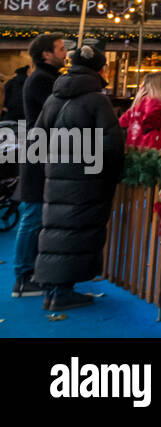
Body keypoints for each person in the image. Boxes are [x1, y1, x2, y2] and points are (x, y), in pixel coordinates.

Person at [33, 43, 125, 310]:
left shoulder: (54, 98)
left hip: (57, 175)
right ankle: (62, 291)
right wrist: (112, 175)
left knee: (56, 228)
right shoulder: (97, 100)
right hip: (87, 178)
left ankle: (52, 289)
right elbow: (111, 146)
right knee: (78, 230)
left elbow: (38, 140)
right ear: (99, 69)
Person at [12, 33, 65, 298]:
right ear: (46, 54)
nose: (65, 52)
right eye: (60, 48)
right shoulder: (43, 81)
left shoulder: (45, 78)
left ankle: (29, 272)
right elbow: (55, 116)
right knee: (32, 214)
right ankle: (22, 276)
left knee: (36, 214)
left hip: (40, 149)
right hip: (39, 151)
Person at [118, 72, 161, 150]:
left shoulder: (138, 103)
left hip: (134, 143)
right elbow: (151, 119)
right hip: (152, 144)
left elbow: (122, 122)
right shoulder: (155, 102)